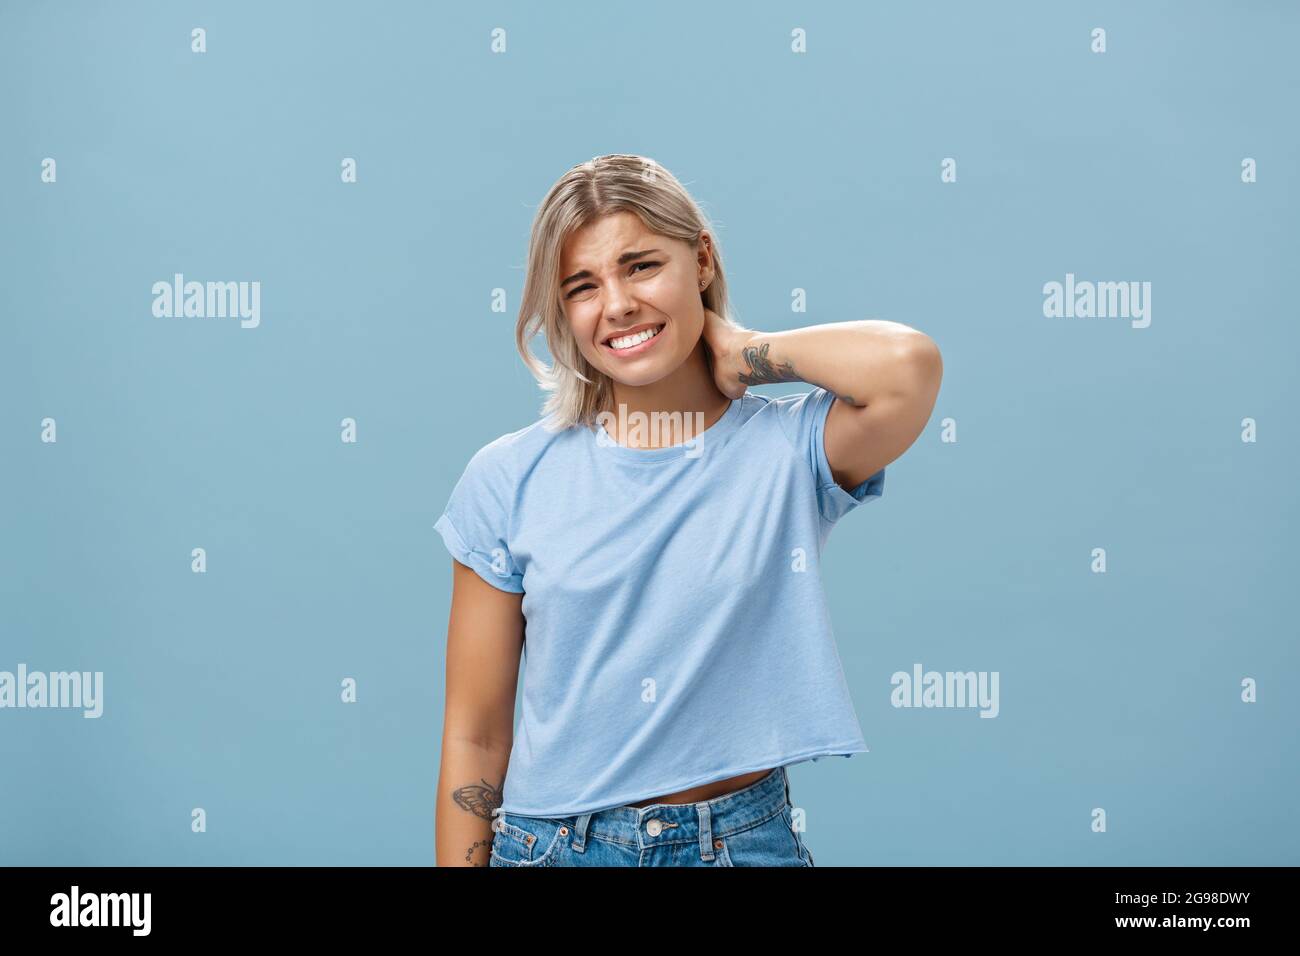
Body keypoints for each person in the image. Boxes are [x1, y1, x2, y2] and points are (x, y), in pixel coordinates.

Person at [434, 154, 942, 866]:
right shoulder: (508, 477)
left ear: (700, 258)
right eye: (583, 286)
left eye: (640, 266)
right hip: (551, 848)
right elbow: (476, 733)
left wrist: (741, 350)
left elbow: (908, 366)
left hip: (738, 845)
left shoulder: (790, 448)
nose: (616, 305)